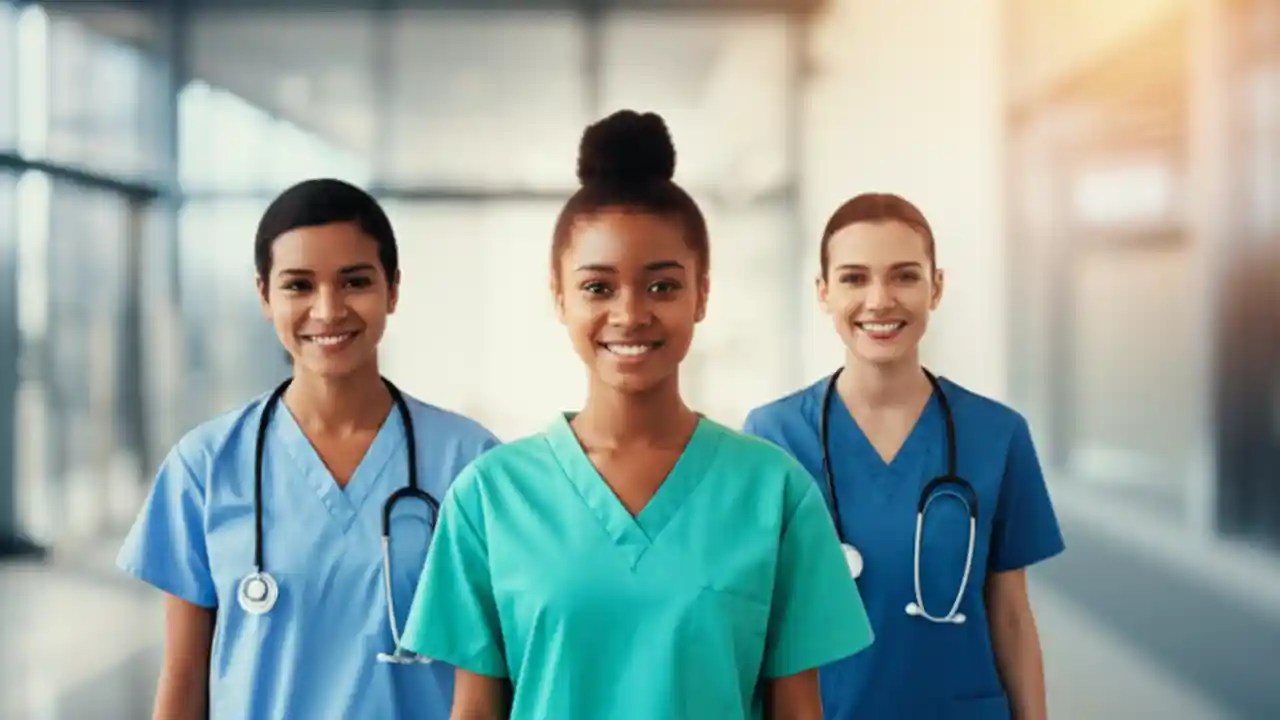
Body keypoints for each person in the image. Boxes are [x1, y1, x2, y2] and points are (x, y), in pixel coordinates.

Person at [400, 111, 873, 719]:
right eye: (598, 287)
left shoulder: (774, 494)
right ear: (559, 296)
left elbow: (799, 711)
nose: (630, 314)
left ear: (702, 293)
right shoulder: (490, 498)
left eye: (662, 287)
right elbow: (473, 712)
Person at [117, 178, 499, 719]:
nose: (328, 309)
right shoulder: (205, 466)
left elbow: (488, 680)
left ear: (393, 289)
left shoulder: (470, 464)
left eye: (355, 282)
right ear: (264, 296)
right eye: (298, 285)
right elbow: (184, 676)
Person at [743, 192, 1064, 719]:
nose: (879, 300)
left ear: (936, 287)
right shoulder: (772, 436)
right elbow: (758, 619)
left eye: (904, 276)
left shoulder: (997, 435)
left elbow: (1009, 615)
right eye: (853, 278)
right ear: (823, 293)